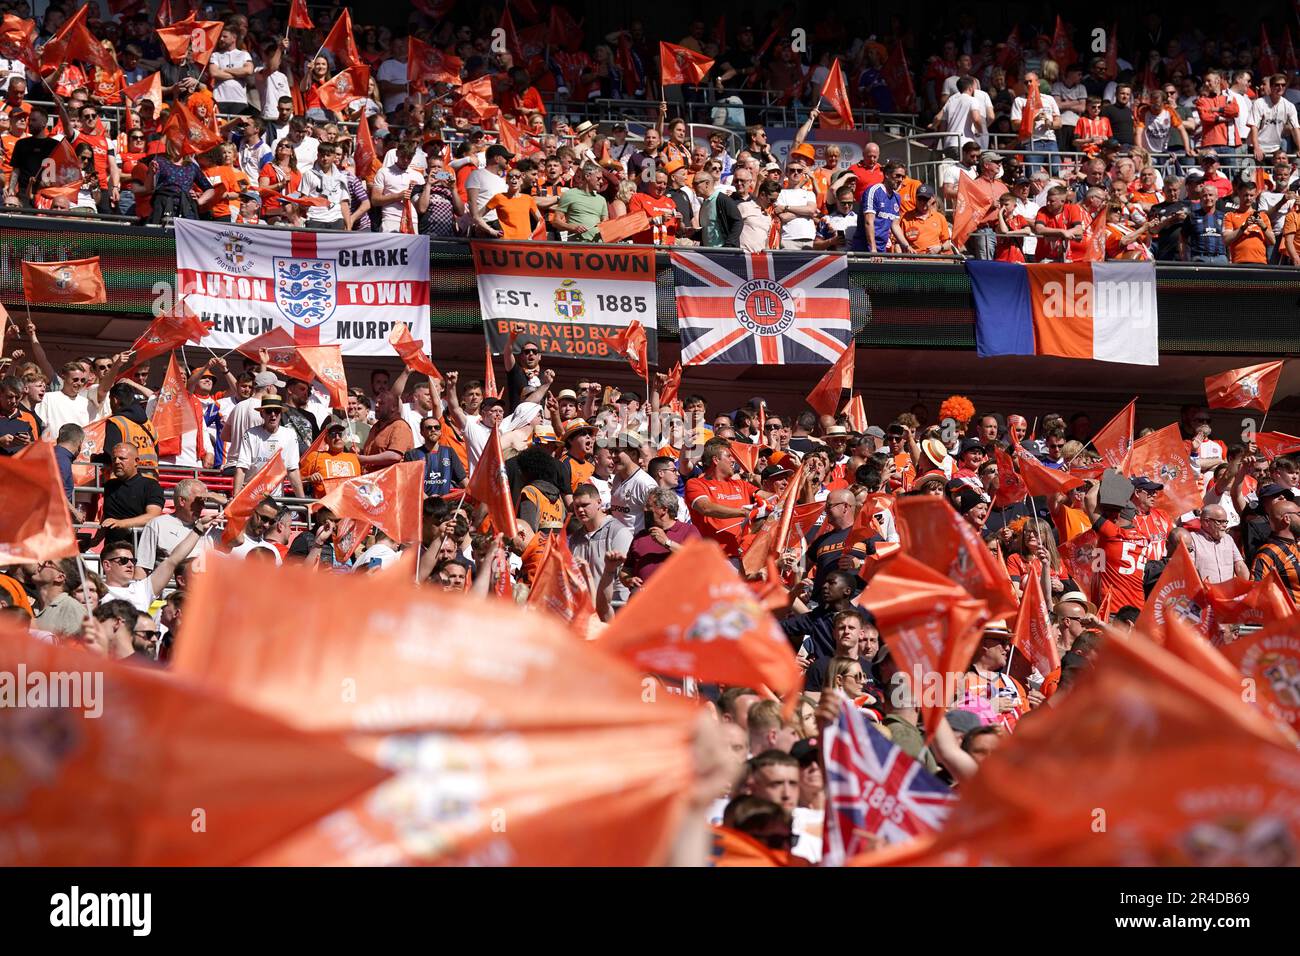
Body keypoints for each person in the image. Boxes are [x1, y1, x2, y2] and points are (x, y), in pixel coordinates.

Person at [99, 515, 213, 614]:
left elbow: (173, 560)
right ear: (107, 565)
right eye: (123, 560)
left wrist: (199, 528)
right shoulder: (96, 592)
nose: (130, 565)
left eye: (132, 561)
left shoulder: (142, 589)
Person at [232, 396, 305, 498]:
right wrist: (236, 496)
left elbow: (293, 470)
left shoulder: (290, 435)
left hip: (276, 499)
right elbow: (241, 468)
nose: (273, 415)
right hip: (251, 496)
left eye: (276, 411)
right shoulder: (250, 434)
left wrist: (303, 503)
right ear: (262, 413)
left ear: (281, 413)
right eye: (269, 411)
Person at [1185, 504, 1248, 583]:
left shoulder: (1228, 539)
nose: (1225, 525)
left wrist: (1250, 588)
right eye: (1220, 521)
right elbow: (1189, 571)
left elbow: (1240, 566)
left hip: (1228, 593)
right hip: (1204, 593)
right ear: (1206, 522)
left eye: (1225, 521)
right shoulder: (1192, 540)